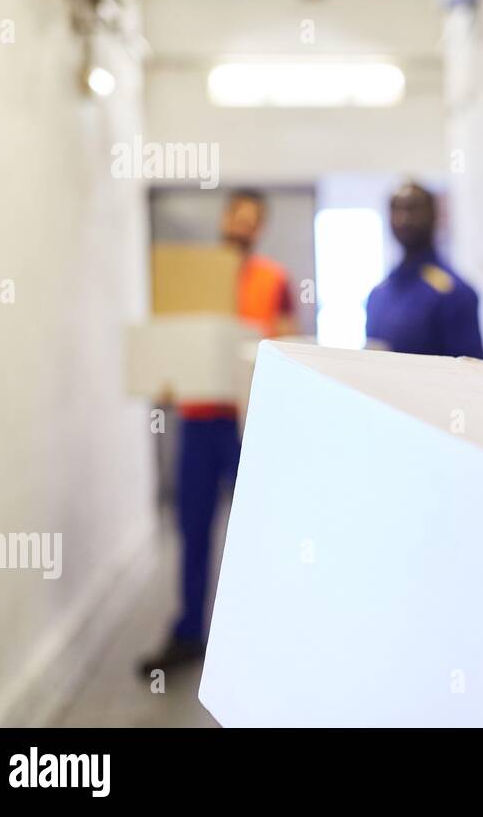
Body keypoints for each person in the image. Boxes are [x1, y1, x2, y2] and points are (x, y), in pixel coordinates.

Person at [139, 189, 295, 676]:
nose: (242, 226)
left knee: (260, 532)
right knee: (193, 530)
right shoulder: (195, 277)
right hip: (199, 420)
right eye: (237, 217)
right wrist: (161, 377)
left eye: (253, 220)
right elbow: (168, 341)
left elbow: (288, 343)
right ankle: (189, 633)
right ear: (226, 219)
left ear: (260, 227)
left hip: (247, 423)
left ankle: (267, 635)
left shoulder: (274, 280)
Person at [364, 182, 483, 358]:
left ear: (434, 216)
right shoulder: (378, 294)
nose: (404, 219)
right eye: (396, 210)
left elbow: (473, 374)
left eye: (413, 209)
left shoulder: (454, 294)